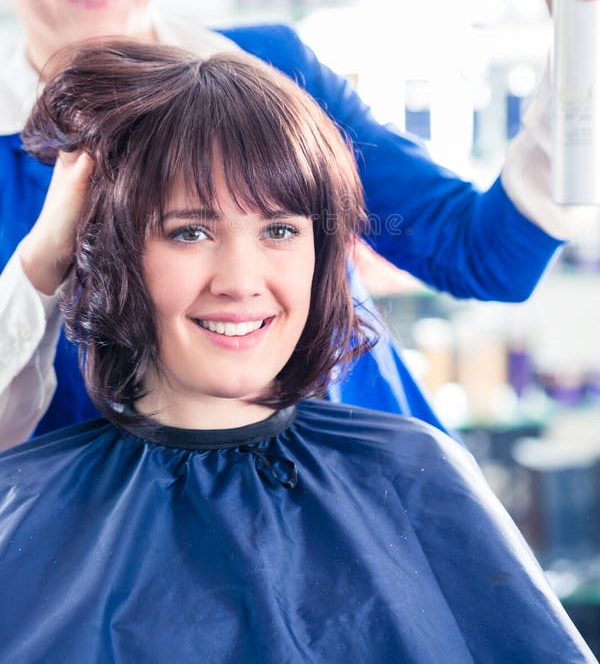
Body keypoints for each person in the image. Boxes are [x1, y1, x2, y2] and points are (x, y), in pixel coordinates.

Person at [0, 0, 585, 448]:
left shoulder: (276, 73)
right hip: (128, 546)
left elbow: (484, 255)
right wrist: (41, 263)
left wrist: (583, 49)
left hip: (369, 510)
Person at [0, 39, 593, 664]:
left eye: (280, 229)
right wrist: (44, 256)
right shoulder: (29, 503)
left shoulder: (414, 472)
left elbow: (489, 252)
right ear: (112, 252)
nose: (240, 280)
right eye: (191, 231)